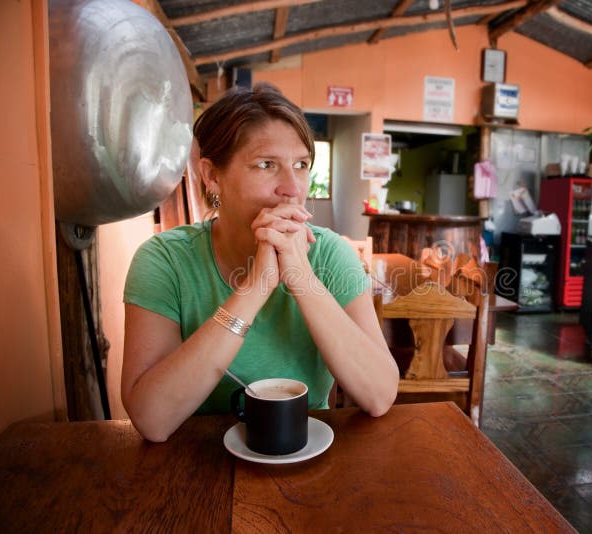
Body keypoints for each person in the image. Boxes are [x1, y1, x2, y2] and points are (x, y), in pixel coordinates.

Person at [122, 83, 399, 442]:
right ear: (212, 176)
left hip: (305, 451)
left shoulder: (330, 254)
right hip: (195, 462)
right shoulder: (164, 261)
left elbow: (379, 396)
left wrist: (301, 277)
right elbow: (153, 419)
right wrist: (255, 288)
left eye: (301, 165)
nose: (292, 187)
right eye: (267, 165)